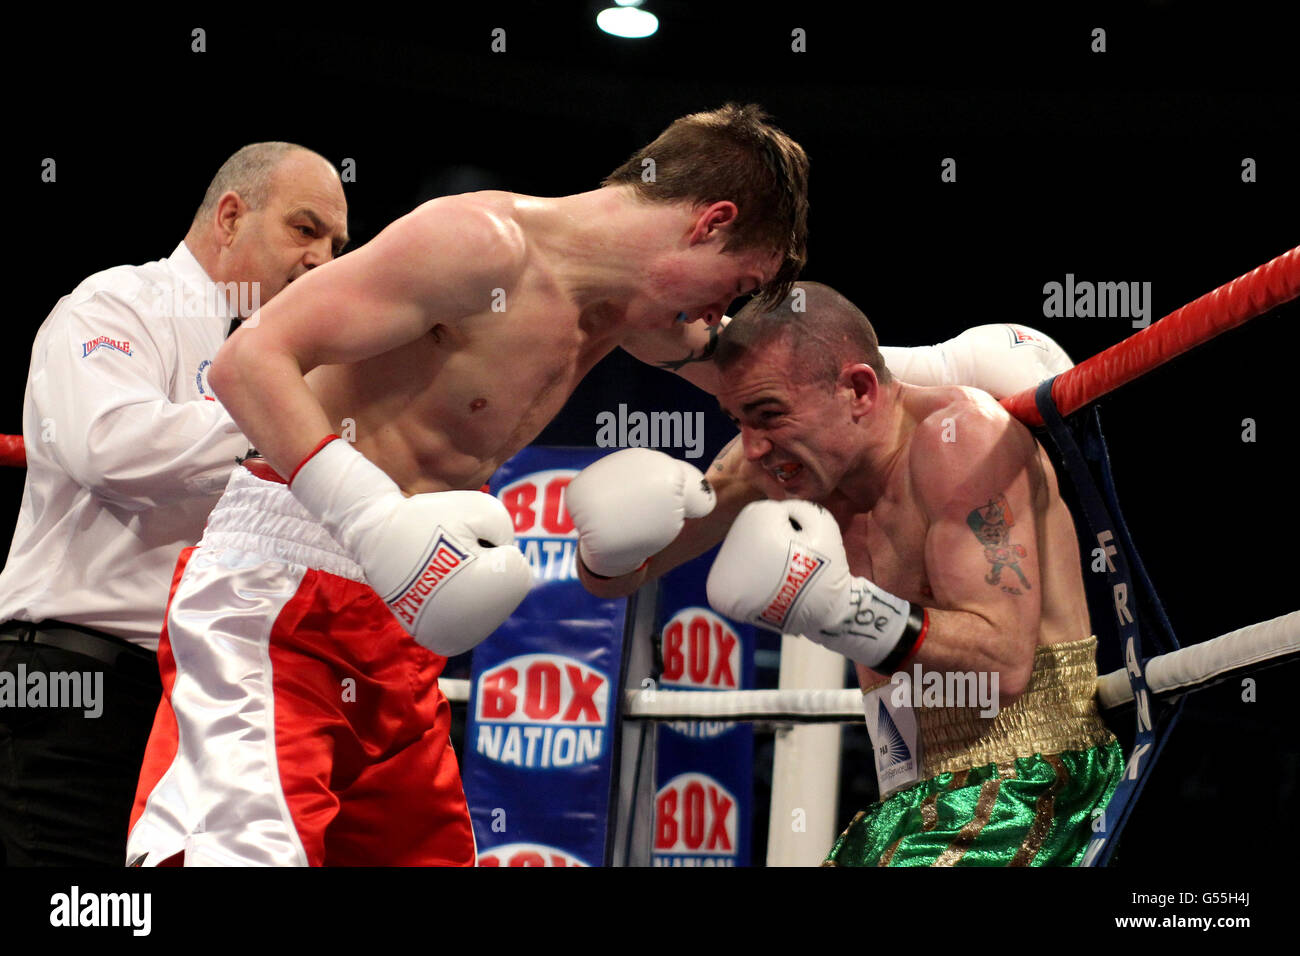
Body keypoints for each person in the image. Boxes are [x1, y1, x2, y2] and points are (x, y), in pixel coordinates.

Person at [124, 103, 812, 867]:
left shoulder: (639, 316)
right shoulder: (481, 246)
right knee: (238, 854)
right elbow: (247, 362)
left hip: (406, 617)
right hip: (281, 586)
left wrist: (945, 368)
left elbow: (787, 375)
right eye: (738, 283)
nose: (723, 311)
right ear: (710, 222)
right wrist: (371, 517)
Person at [568, 282, 1122, 866]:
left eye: (768, 414)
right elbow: (625, 575)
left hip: (1031, 784)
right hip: (908, 800)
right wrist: (605, 555)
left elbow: (1002, 662)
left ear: (858, 389)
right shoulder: (781, 462)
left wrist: (841, 608)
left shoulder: (961, 443)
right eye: (737, 418)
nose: (751, 447)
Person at [0, 142, 349, 866]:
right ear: (230, 216)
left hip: (198, 700)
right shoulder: (121, 303)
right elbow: (108, 447)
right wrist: (279, 423)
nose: (323, 259)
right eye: (305, 229)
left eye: (338, 245)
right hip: (76, 679)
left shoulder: (294, 366)